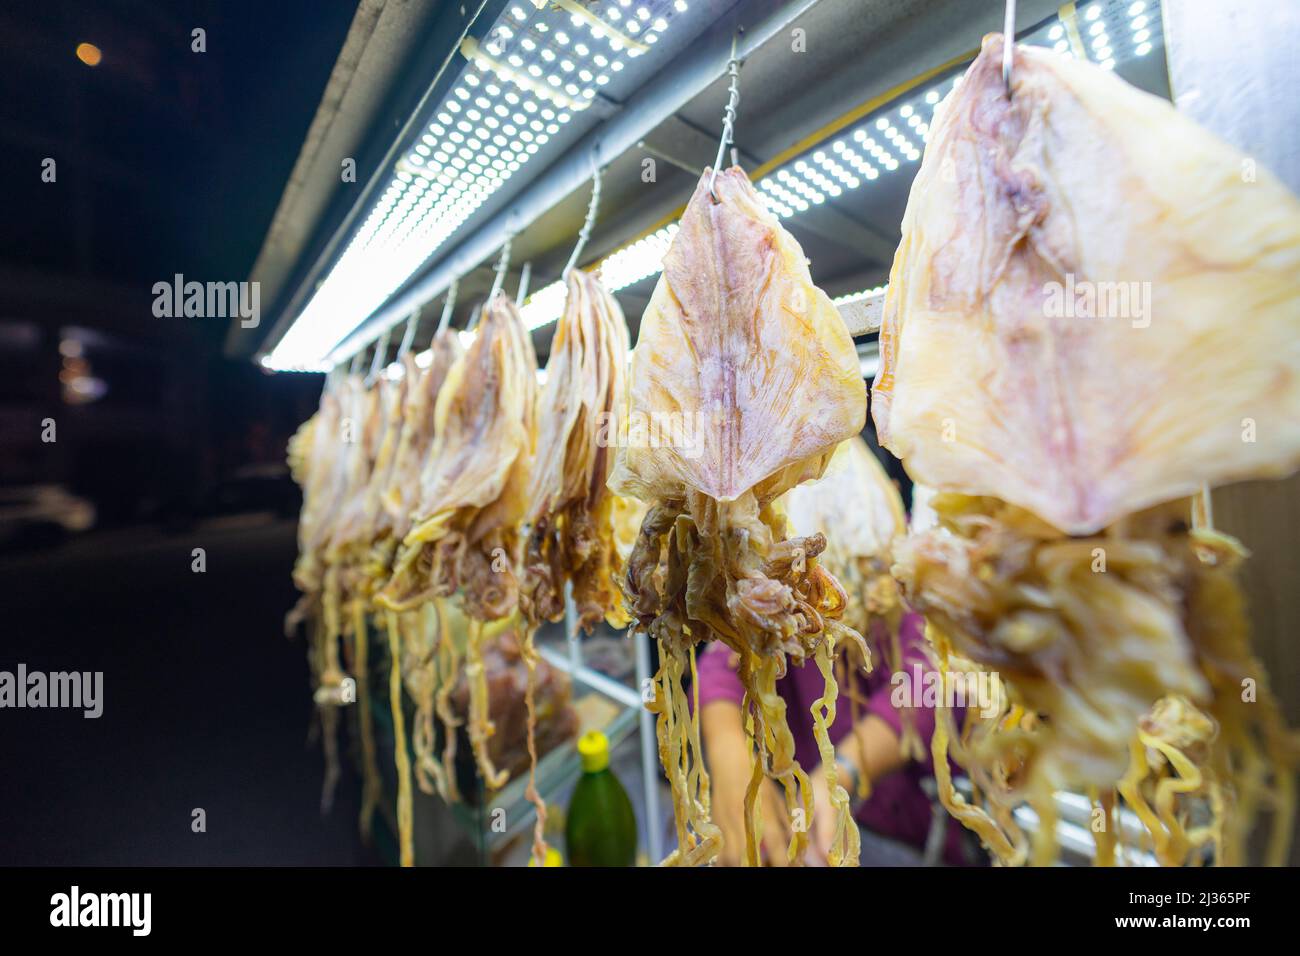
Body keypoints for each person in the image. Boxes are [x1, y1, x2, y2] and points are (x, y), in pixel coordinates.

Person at [698, 610, 977, 866]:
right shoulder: (789, 584)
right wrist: (732, 759)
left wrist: (842, 772)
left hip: (914, 833)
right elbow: (724, 660)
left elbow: (929, 680)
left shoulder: (925, 589)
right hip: (803, 808)